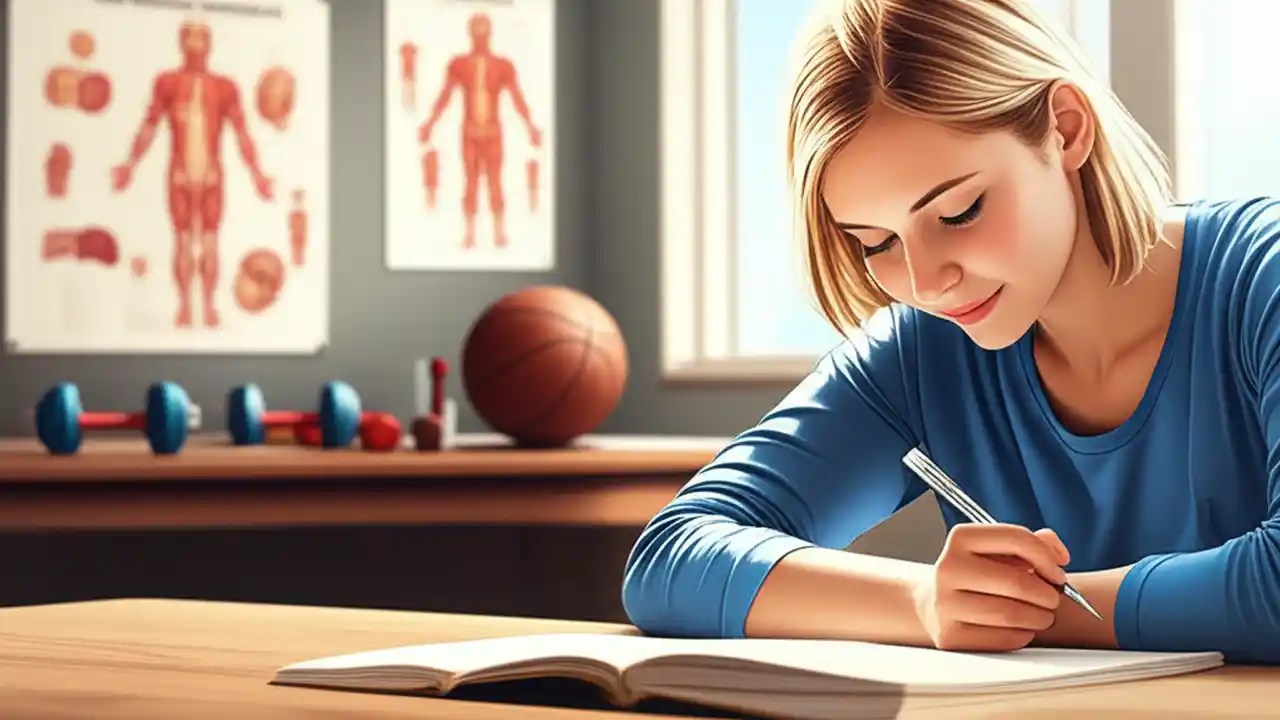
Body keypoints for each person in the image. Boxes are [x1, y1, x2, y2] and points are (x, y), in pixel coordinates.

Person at [621, 0, 1280, 665]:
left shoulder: (1264, 281)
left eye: (958, 212)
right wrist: (923, 603)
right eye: (875, 243)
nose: (927, 283)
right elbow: (671, 558)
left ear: (1065, 129)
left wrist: (1030, 613)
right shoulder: (925, 351)